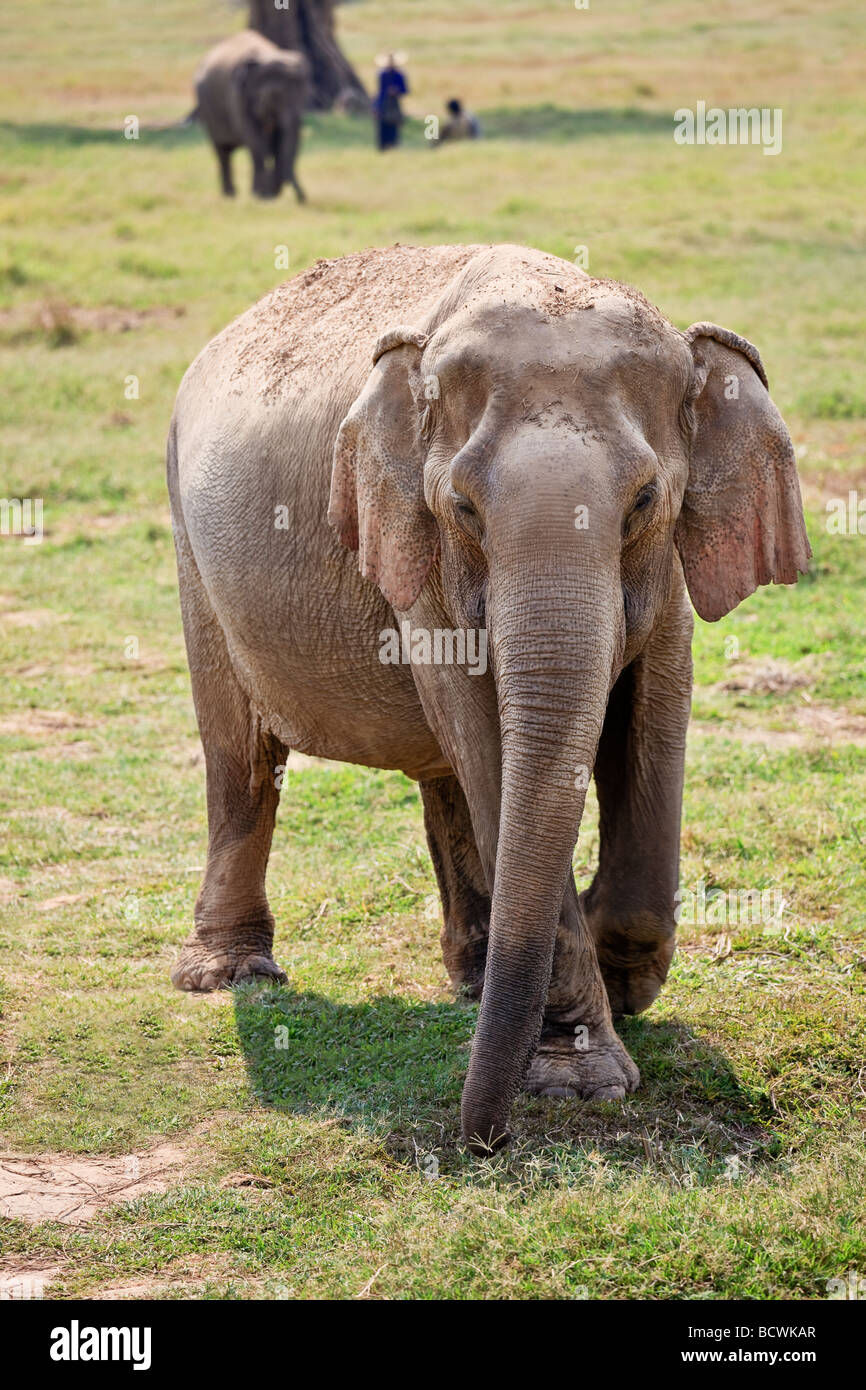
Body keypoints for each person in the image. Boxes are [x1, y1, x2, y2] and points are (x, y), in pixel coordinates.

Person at [374, 53, 408, 151]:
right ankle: (382, 149)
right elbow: (380, 91)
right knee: (382, 127)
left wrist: (396, 91)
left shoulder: (399, 75)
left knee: (393, 127)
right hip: (383, 103)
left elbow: (405, 90)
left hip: (395, 104)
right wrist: (376, 106)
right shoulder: (382, 74)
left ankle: (393, 147)